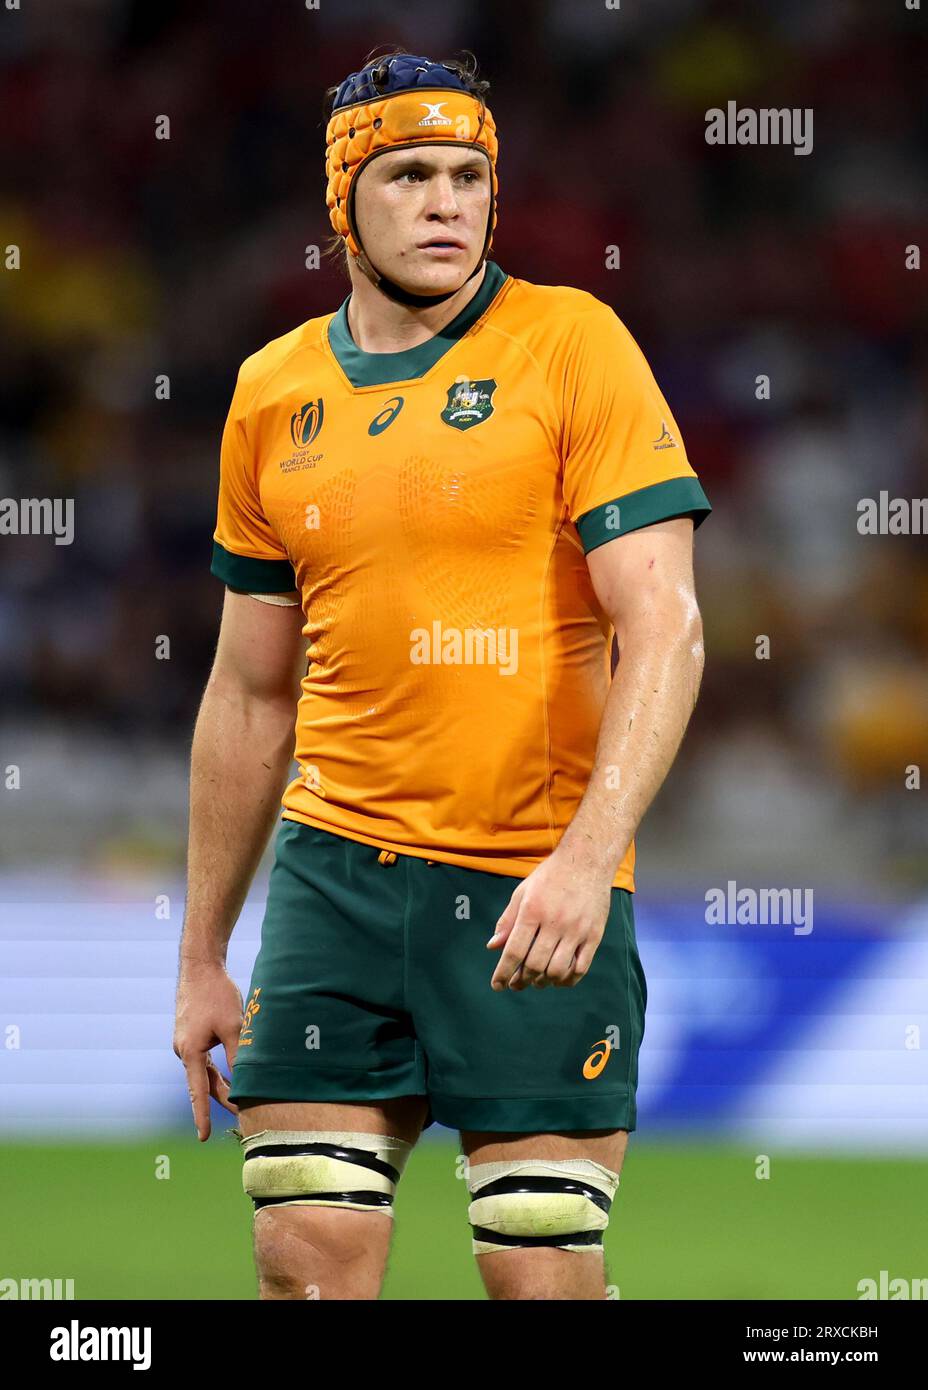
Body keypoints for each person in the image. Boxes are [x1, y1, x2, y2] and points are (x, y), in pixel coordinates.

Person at [173, 47, 711, 1301]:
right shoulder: (269, 393)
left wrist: (588, 857)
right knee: (304, 1261)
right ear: (340, 204)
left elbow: (668, 626)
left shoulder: (574, 344)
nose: (446, 202)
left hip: (528, 880)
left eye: (469, 174)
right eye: (409, 173)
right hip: (333, 880)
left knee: (537, 1271)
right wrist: (202, 951)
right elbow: (250, 690)